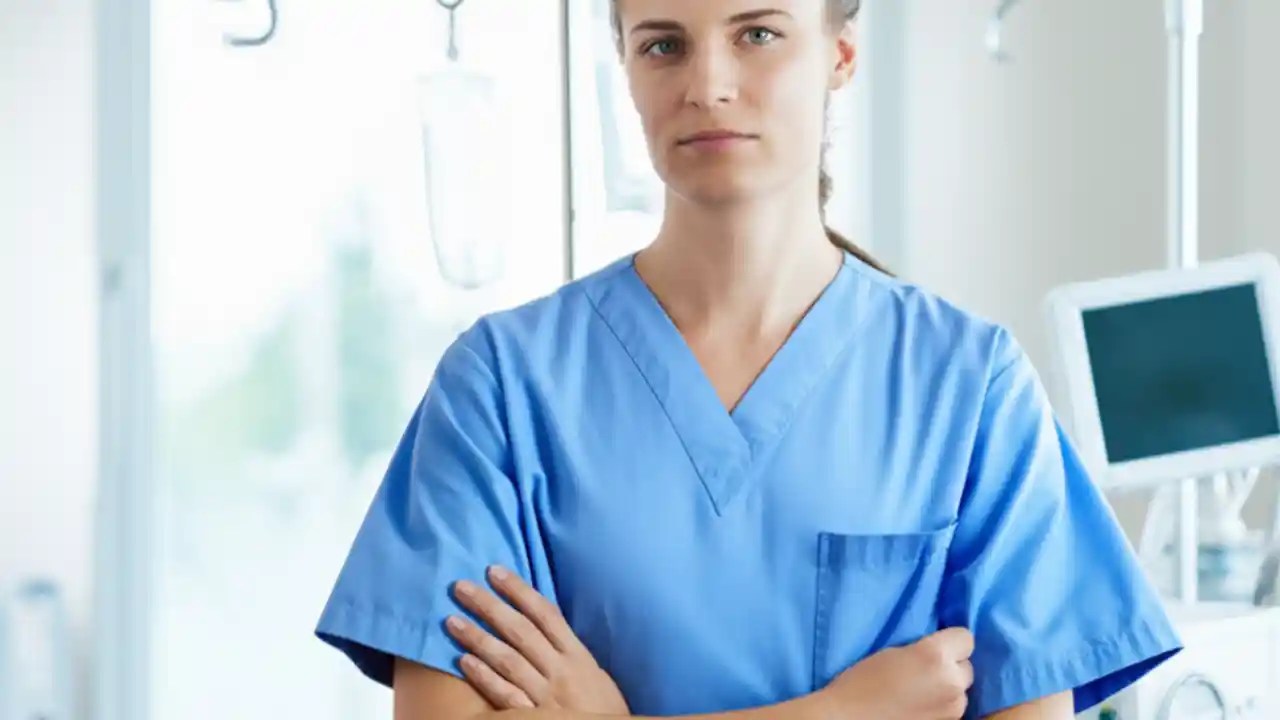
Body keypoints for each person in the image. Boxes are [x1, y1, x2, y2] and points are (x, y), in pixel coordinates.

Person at [315, 1, 1183, 718]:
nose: (708, 86)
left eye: (757, 34)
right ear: (627, 69)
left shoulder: (968, 387)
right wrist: (838, 714)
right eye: (663, 46)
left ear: (840, 56)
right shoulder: (501, 387)